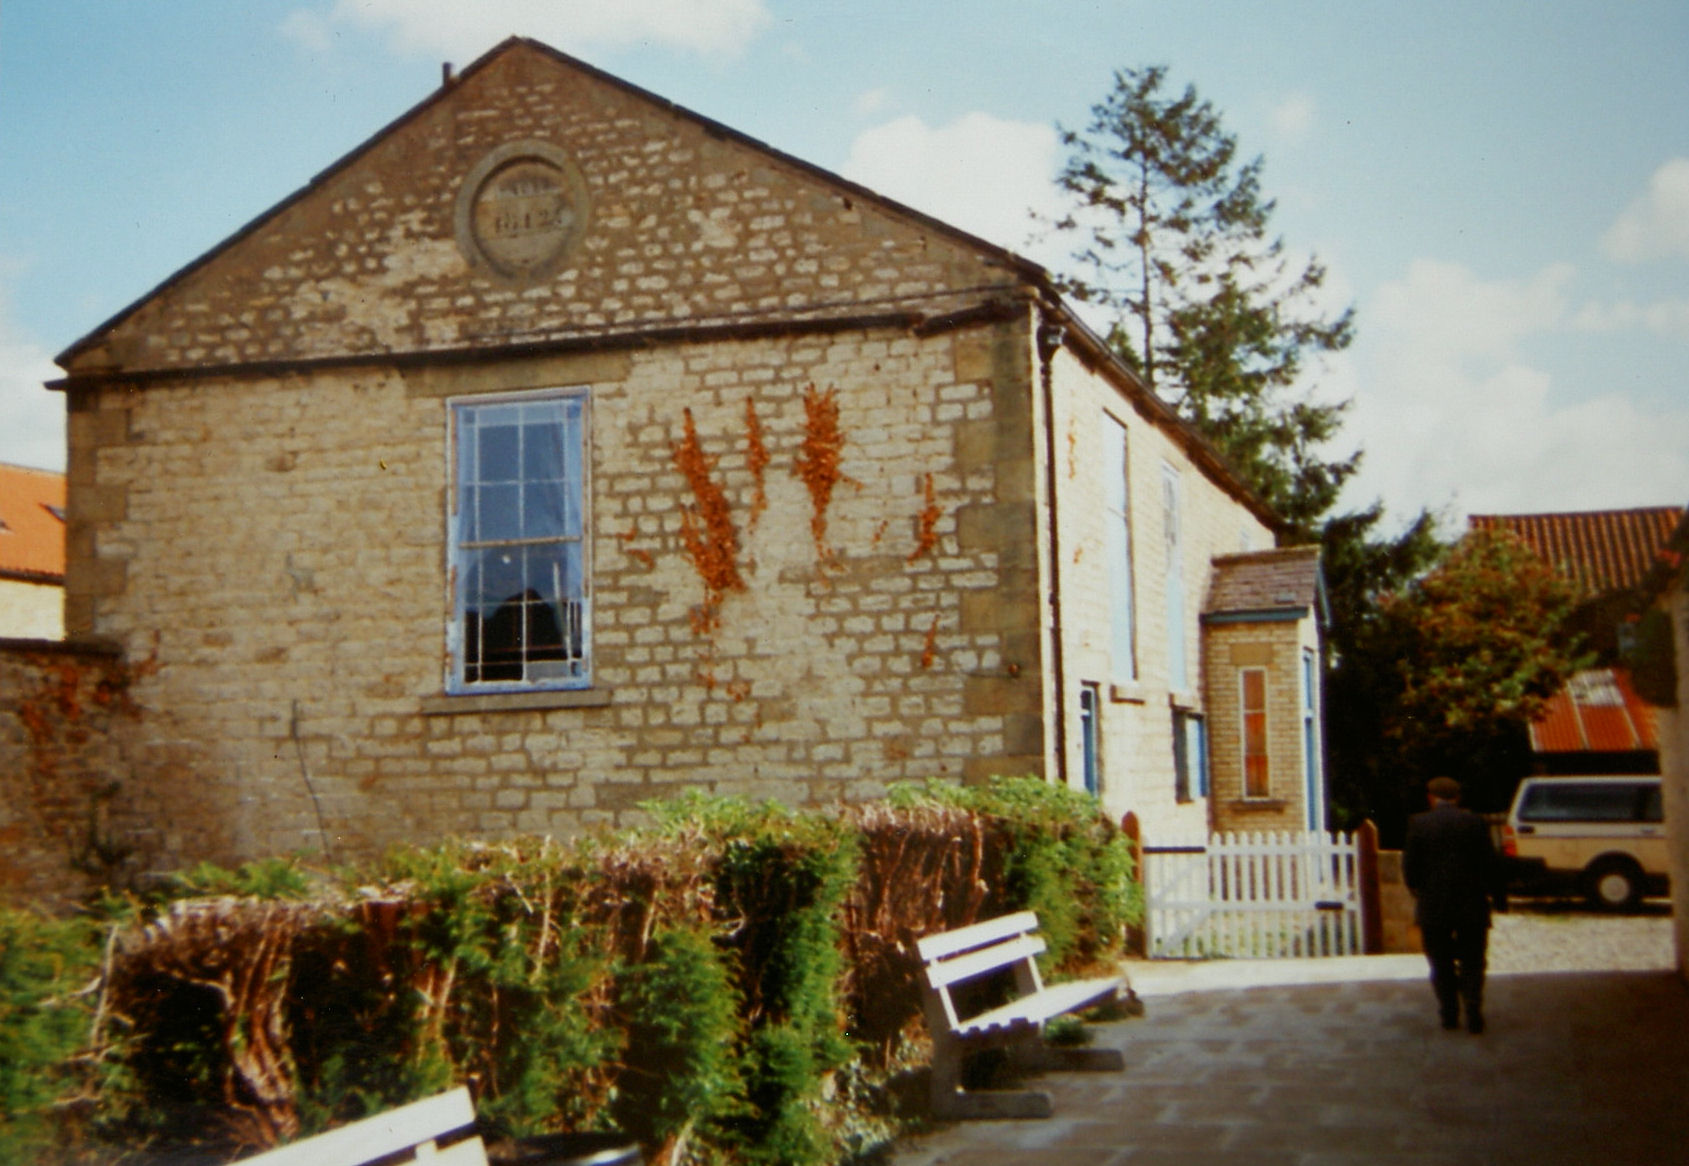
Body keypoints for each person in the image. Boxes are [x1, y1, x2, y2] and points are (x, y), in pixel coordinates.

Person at [1403, 776, 1504, 1034]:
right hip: (1472, 904)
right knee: (1473, 959)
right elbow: (1490, 864)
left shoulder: (1419, 823)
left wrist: (1418, 890)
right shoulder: (1476, 823)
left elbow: (1410, 868)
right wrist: (1497, 897)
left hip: (1434, 906)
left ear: (1431, 797)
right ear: (1458, 798)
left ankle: (1448, 1013)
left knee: (1440, 961)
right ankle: (1472, 1006)